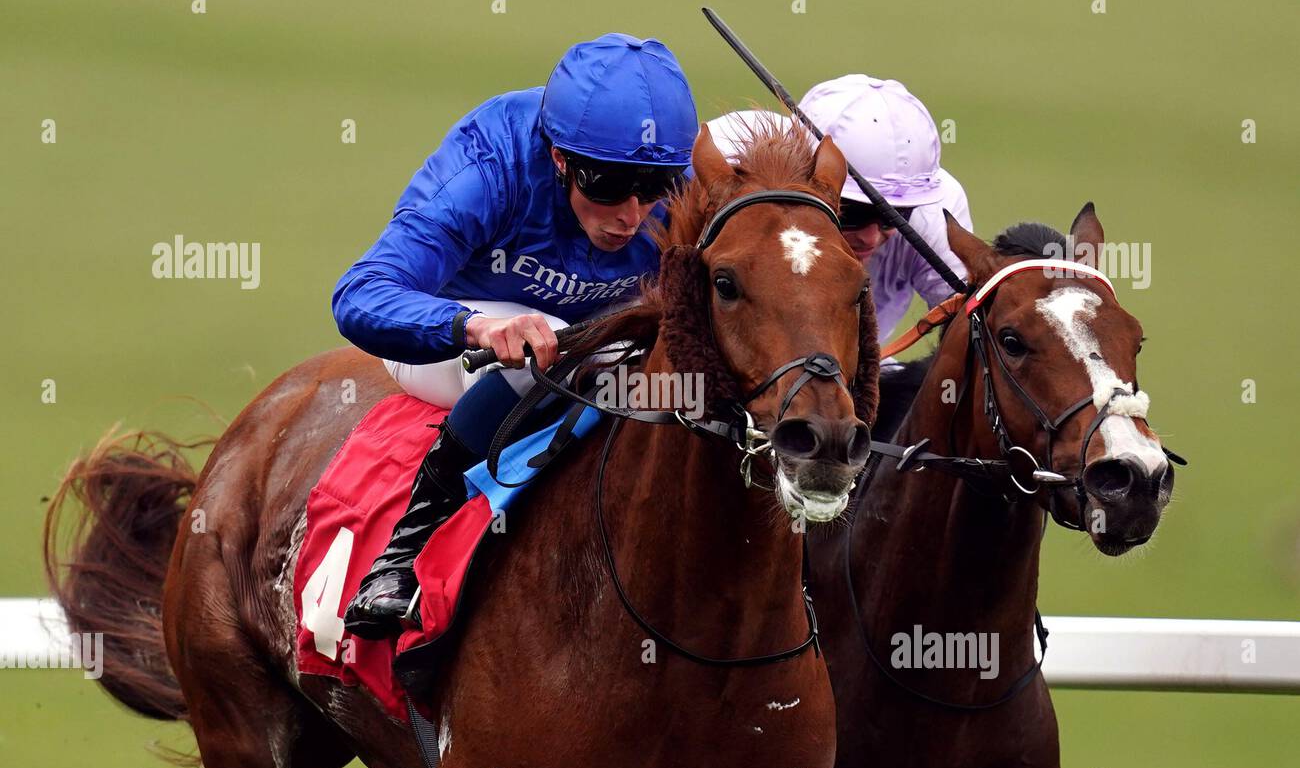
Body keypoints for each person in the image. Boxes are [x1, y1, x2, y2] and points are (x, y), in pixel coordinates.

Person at [332, 33, 697, 637]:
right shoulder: (488, 165)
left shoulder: (685, 177)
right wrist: (474, 327)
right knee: (555, 348)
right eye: (606, 186)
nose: (631, 215)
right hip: (460, 332)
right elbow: (359, 295)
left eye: (653, 188)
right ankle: (401, 556)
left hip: (597, 333)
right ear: (559, 158)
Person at [707, 75, 972, 439]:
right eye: (854, 212)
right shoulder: (725, 172)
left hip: (847, 382)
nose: (873, 236)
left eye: (897, 217)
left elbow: (972, 332)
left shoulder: (934, 210)